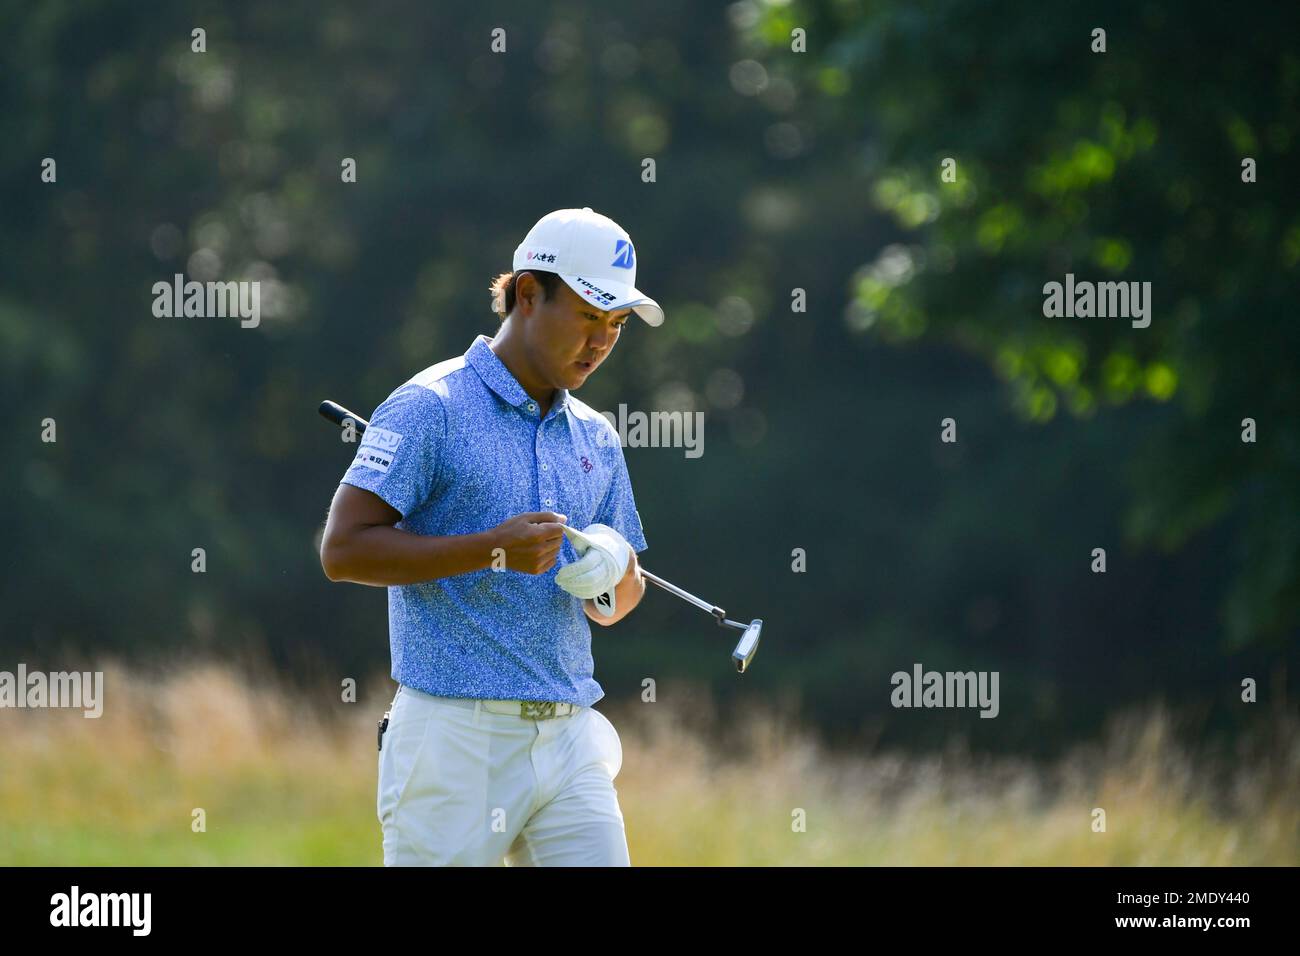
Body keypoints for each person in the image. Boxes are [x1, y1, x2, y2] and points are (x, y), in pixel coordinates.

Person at [319, 207, 663, 866]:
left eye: (615, 325)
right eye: (589, 317)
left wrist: (614, 569)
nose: (601, 342)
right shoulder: (429, 406)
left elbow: (623, 598)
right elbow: (344, 549)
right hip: (454, 742)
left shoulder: (596, 435)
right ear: (528, 295)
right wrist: (490, 548)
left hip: (570, 739)